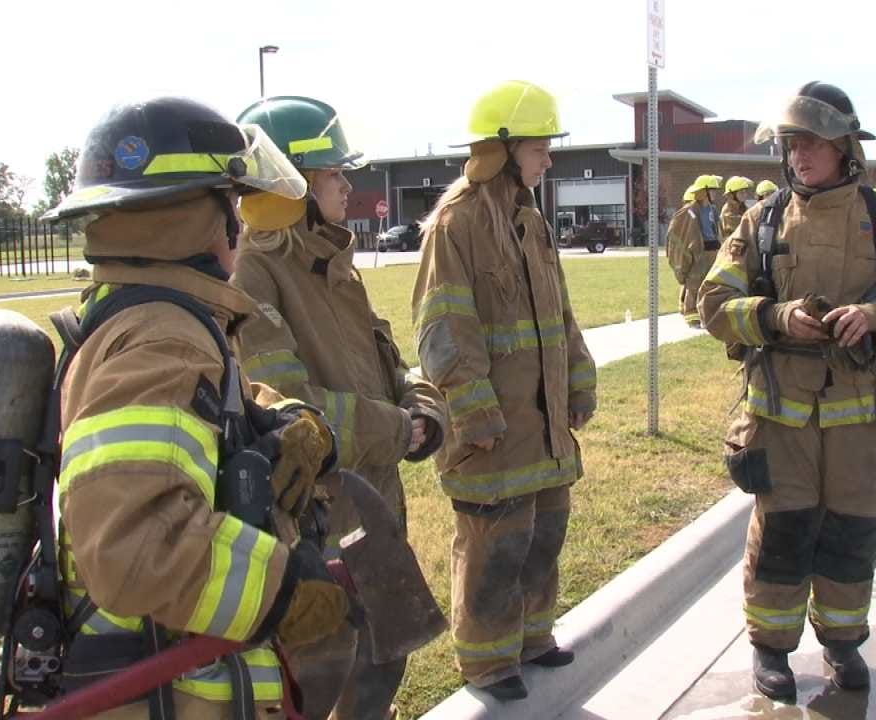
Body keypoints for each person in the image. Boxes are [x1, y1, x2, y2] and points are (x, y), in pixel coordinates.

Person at [42, 96, 351, 718]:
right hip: (170, 692)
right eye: (230, 202)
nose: (238, 221)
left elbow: (190, 414)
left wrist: (281, 417)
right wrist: (282, 590)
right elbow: (133, 545)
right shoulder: (163, 336)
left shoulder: (150, 317)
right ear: (202, 219)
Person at [697, 82, 876, 702]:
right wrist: (773, 315)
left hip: (858, 421)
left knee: (851, 530)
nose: (800, 155)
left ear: (846, 147)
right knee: (782, 533)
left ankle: (842, 644)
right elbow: (710, 304)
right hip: (779, 421)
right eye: (792, 144)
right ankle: (772, 649)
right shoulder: (761, 222)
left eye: (813, 142)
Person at [230, 96, 450, 720]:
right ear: (290, 182)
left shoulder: (332, 264)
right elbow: (286, 409)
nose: (347, 184)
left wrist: (422, 408)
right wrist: (394, 427)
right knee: (320, 674)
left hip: (372, 507)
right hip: (316, 519)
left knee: (381, 663)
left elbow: (389, 365)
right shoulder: (255, 273)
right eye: (334, 172)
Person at [411, 80, 598, 701]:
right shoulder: (456, 224)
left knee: (544, 532)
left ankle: (532, 638)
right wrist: (473, 411)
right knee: (496, 542)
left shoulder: (531, 220)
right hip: (493, 429)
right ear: (504, 148)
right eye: (540, 147)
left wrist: (579, 377)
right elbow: (444, 330)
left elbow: (560, 314)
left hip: (542, 425)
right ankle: (488, 663)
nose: (548, 159)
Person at [667, 174, 724, 327]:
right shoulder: (690, 210)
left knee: (710, 284)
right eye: (712, 190)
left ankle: (706, 314)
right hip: (699, 252)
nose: (715, 194)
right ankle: (691, 316)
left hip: (713, 250)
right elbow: (681, 232)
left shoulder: (712, 209)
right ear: (704, 192)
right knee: (694, 284)